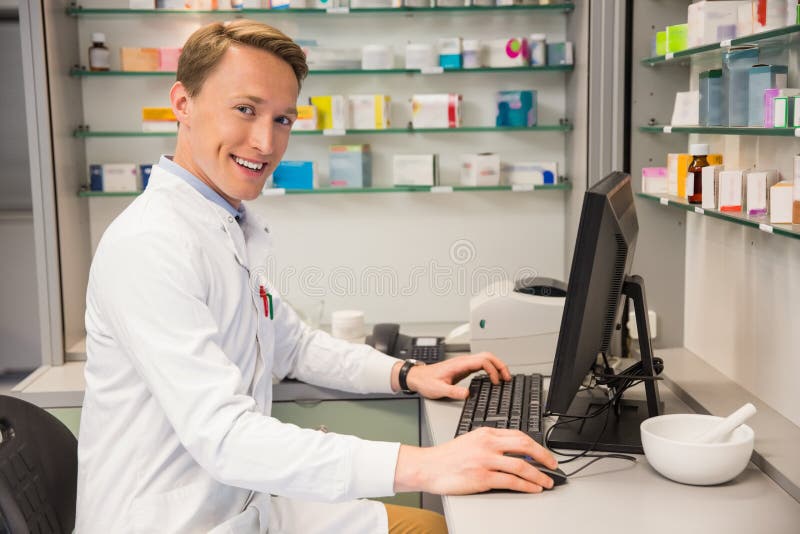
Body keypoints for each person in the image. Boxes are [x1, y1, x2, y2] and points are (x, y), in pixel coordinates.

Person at [75, 19, 557, 533]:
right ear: (182, 103)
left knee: (428, 528)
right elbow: (224, 436)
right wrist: (426, 464)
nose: (265, 141)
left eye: (283, 119)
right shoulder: (151, 244)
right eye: (245, 109)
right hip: (175, 523)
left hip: (239, 506)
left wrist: (407, 373)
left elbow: (294, 345)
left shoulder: (223, 224)